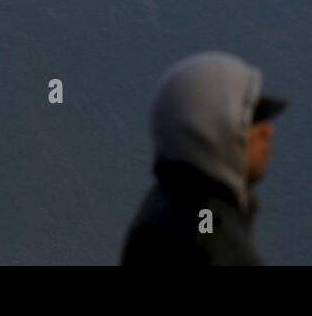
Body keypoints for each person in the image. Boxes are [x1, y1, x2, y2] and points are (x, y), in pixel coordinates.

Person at [120, 51, 286, 266]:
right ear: (211, 127)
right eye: (253, 116)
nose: (267, 131)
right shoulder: (206, 240)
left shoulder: (171, 207)